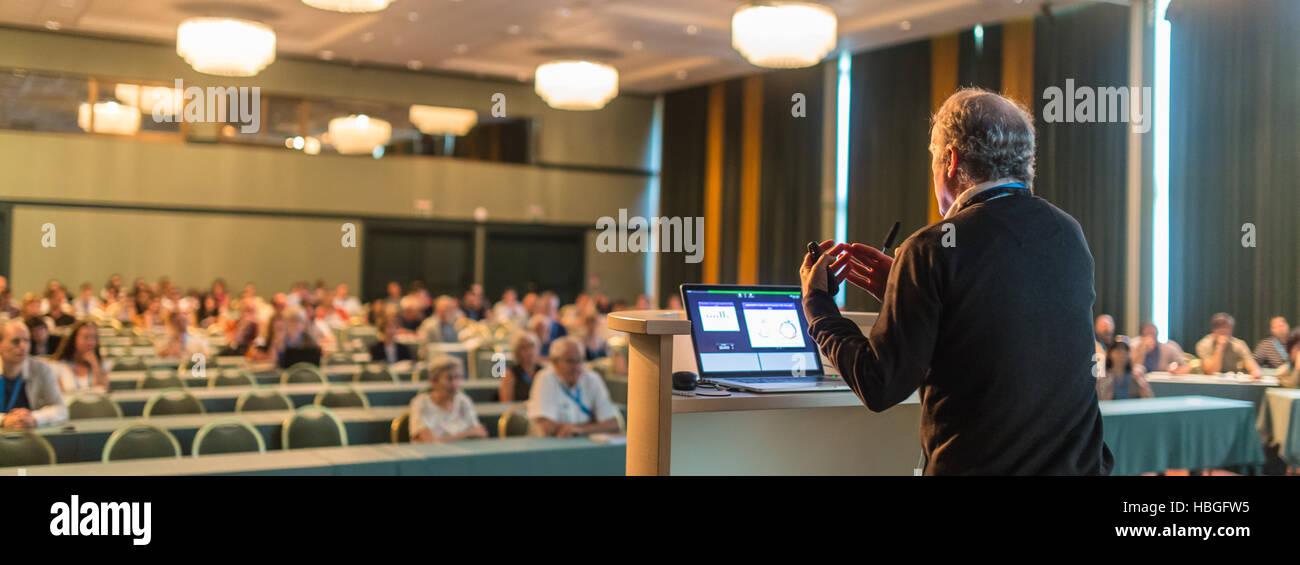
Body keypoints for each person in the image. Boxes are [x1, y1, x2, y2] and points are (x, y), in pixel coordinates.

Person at [799, 88, 1111, 475]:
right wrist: (903, 289)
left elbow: (879, 384)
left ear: (950, 160)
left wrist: (817, 307)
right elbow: (997, 324)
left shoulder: (930, 248)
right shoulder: (1068, 233)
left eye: (933, 155)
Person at [526, 337, 619, 437]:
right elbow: (547, 428)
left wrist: (580, 429)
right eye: (570, 361)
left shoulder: (592, 378)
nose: (576, 367)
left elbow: (613, 425)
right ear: (555, 362)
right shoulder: (545, 378)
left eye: (580, 361)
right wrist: (594, 426)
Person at [0, 320, 67, 428]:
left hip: (31, 438)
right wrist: (4, 420)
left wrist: (34, 417)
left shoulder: (42, 369)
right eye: (15, 341)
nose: (23, 346)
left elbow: (60, 409)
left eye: (26, 340)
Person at [409, 355, 487, 443]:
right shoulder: (421, 404)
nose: (454, 384)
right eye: (449, 378)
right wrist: (466, 434)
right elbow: (428, 442)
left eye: (458, 377)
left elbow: (480, 434)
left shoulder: (464, 401)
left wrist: (442, 439)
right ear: (433, 381)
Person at [50, 321, 111, 393]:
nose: (91, 343)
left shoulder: (102, 365)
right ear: (74, 340)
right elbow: (59, 397)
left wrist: (95, 365)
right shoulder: (58, 366)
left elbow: (105, 392)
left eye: (94, 338)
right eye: (86, 337)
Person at [1195, 313, 1261, 378]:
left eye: (1226, 328)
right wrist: (1220, 347)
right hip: (1209, 384)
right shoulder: (1204, 345)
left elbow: (1253, 368)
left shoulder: (1239, 345)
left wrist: (1255, 373)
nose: (1223, 330)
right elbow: (1211, 371)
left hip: (1234, 384)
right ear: (1213, 330)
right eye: (1219, 327)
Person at [499, 332, 542, 402]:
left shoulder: (543, 371)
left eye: (532, 346)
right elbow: (506, 404)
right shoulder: (510, 374)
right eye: (523, 348)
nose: (529, 351)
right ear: (517, 352)